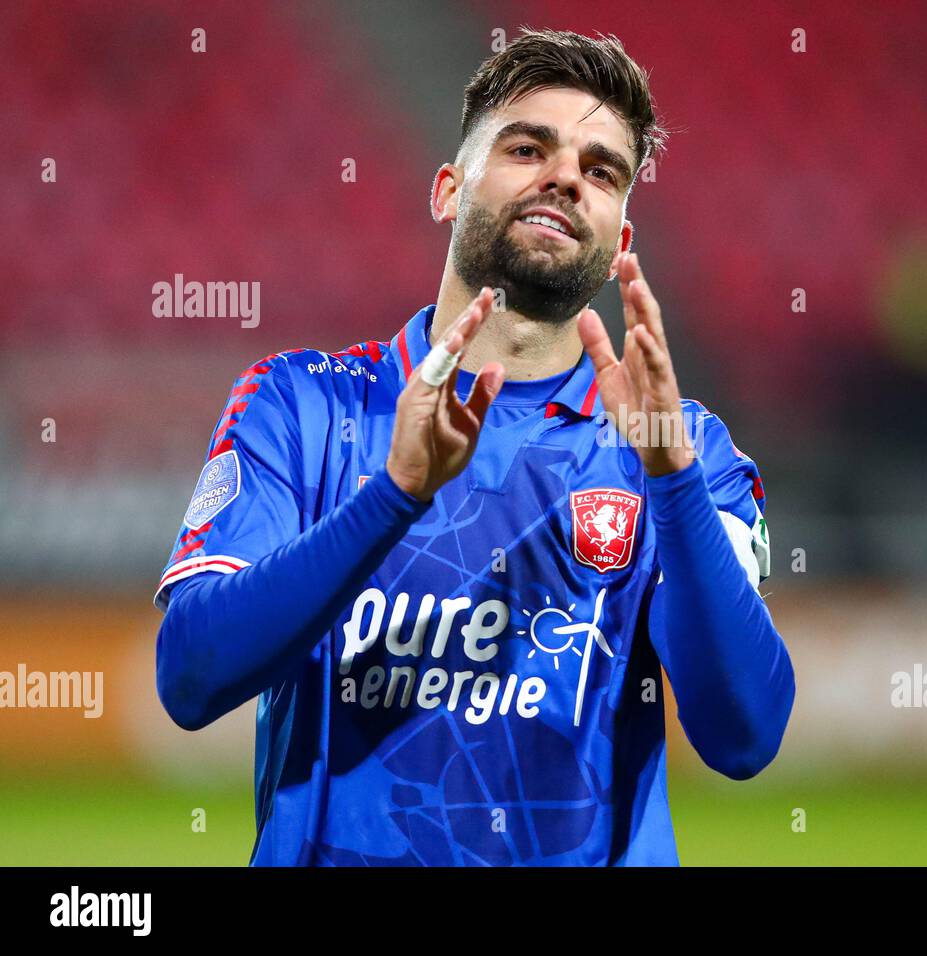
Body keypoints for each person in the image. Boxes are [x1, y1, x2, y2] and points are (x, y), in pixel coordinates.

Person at [154, 28, 794, 866]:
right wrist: (392, 498)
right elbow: (192, 677)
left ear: (619, 243)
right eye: (528, 147)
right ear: (448, 191)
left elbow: (743, 734)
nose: (567, 175)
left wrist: (670, 482)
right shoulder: (301, 405)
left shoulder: (688, 450)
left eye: (602, 171)